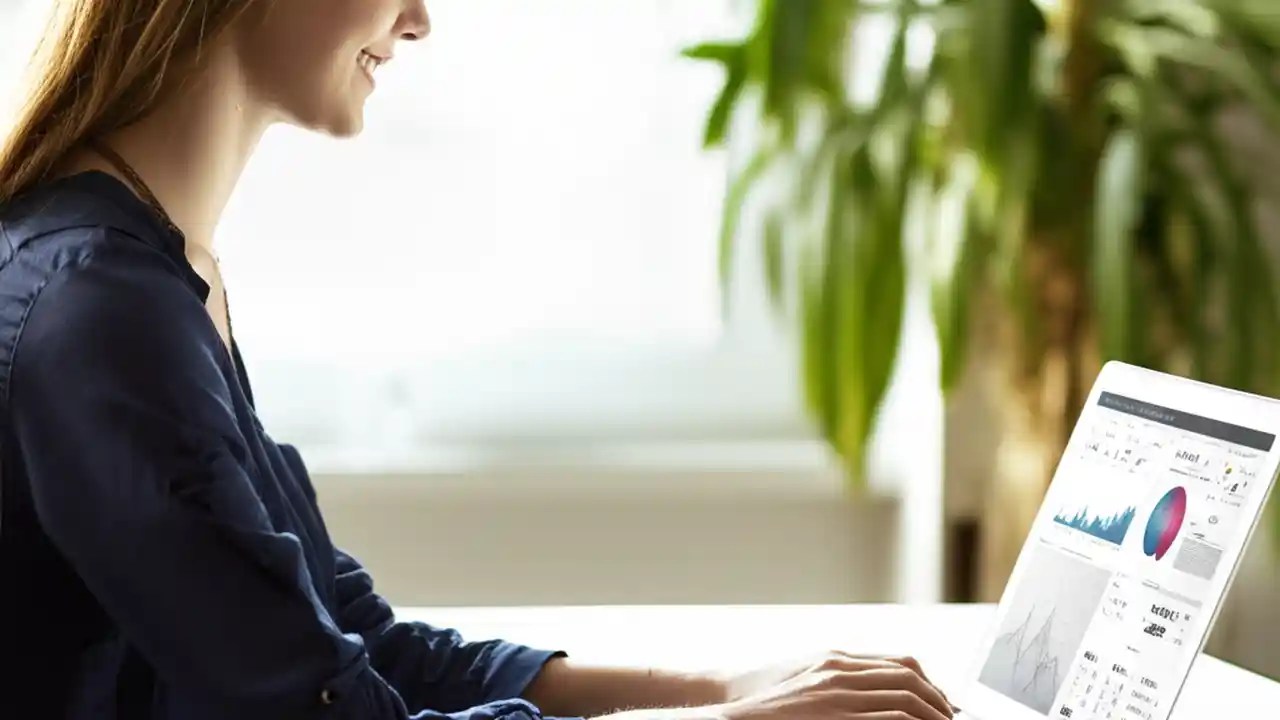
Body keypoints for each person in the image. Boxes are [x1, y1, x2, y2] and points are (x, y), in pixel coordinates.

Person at [0, 1, 956, 719]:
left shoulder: (152, 273)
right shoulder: (102, 312)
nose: (417, 21)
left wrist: (730, 685)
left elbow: (348, 643)